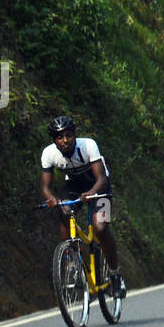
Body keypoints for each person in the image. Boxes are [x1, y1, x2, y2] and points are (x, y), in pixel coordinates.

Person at [40, 115, 125, 298]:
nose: (65, 140)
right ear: (54, 140)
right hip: (74, 186)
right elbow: (46, 187)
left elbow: (101, 177)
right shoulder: (48, 154)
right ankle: (71, 259)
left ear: (74, 135)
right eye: (60, 137)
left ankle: (115, 274)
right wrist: (52, 199)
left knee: (101, 228)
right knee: (63, 210)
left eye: (68, 135)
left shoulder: (88, 145)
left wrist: (91, 193)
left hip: (100, 185)